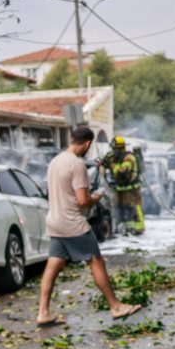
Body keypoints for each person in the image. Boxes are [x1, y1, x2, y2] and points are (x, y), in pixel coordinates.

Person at [37, 126, 143, 326]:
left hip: (54, 220)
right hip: (72, 222)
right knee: (96, 261)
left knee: (53, 264)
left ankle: (43, 312)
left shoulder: (55, 161)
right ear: (86, 144)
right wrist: (97, 196)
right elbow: (82, 200)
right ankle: (116, 306)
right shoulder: (76, 165)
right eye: (89, 146)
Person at [103, 136, 144, 232]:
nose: (114, 151)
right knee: (125, 210)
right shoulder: (113, 157)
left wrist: (111, 165)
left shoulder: (129, 157)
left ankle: (138, 229)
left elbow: (122, 173)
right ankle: (128, 229)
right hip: (121, 190)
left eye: (116, 149)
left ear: (121, 148)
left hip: (132, 190)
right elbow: (103, 164)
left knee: (134, 209)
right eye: (113, 149)